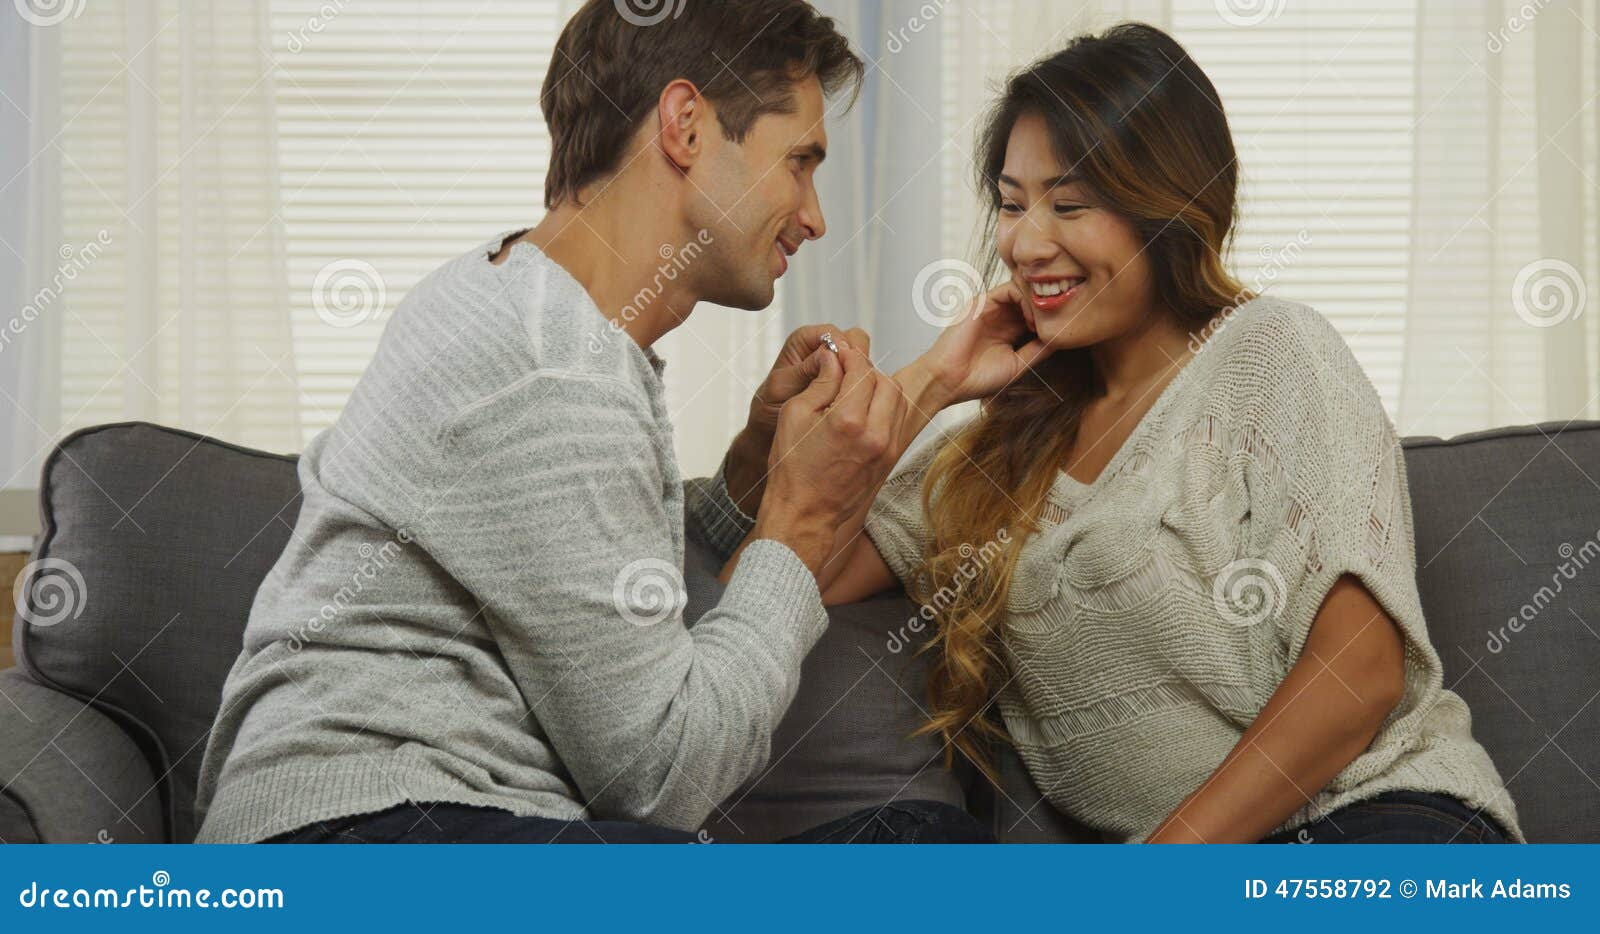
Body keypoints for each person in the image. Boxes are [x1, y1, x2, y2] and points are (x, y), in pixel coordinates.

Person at [195, 0, 990, 845]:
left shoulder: (526, 307)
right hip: (370, 834)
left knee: (919, 840)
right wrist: (804, 519)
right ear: (685, 126)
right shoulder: (552, 372)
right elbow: (664, 778)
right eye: (799, 162)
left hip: (397, 824)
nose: (815, 216)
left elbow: (590, 579)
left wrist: (755, 470)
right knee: (924, 851)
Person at [726, 23, 1522, 845]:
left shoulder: (1273, 352)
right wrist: (933, 382)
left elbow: (1361, 672)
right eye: (1011, 204)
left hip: (1383, 823)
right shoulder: (999, 451)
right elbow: (776, 580)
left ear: (1167, 209)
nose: (1026, 243)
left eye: (1070, 205)